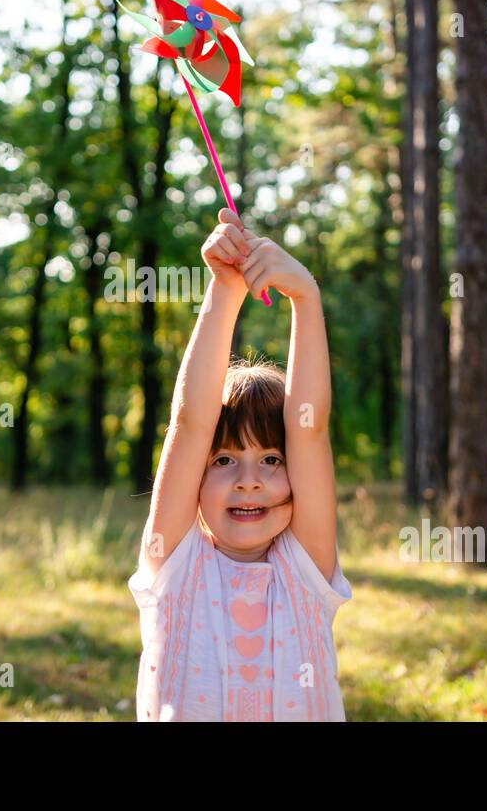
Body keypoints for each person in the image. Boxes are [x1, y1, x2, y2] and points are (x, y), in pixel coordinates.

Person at [128, 208, 352, 721]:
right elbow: (189, 424)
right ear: (197, 478)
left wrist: (305, 297)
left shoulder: (305, 567)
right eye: (225, 458)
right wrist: (225, 288)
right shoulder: (175, 563)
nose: (249, 482)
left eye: (272, 459)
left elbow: (309, 428)